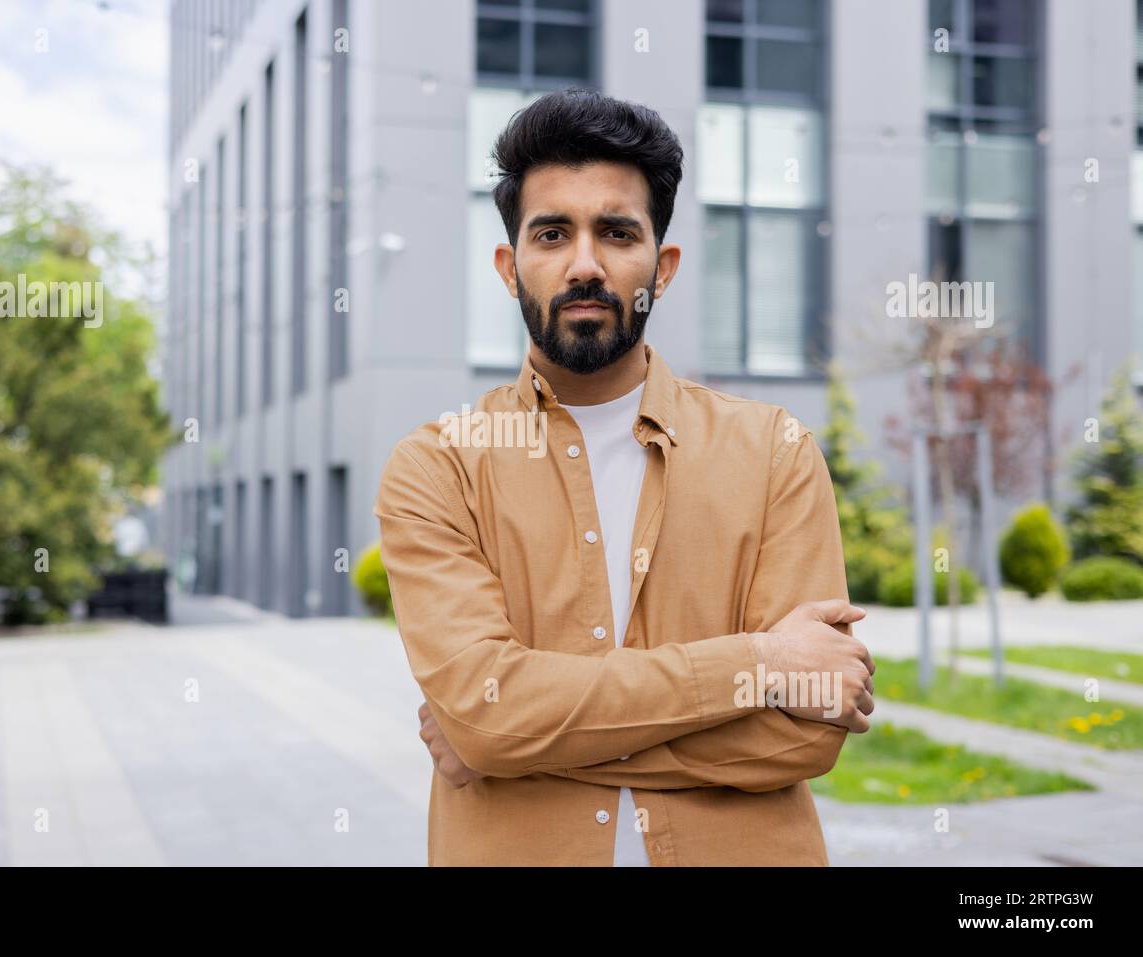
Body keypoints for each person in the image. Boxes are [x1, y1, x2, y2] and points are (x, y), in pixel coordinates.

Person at [374, 88, 874, 866]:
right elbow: (484, 715)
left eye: (615, 232)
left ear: (662, 265)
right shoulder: (438, 467)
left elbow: (806, 730)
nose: (584, 264)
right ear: (511, 266)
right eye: (551, 233)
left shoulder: (776, 451)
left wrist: (511, 741)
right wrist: (762, 663)